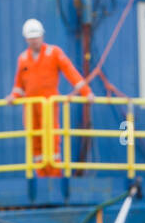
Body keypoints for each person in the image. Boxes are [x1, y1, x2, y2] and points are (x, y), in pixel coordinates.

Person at [5, 17, 91, 176]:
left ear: (42, 36)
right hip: (30, 108)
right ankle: (42, 176)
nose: (34, 41)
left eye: (36, 37)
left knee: (51, 141)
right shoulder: (23, 59)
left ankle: (55, 176)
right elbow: (19, 86)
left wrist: (87, 92)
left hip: (49, 106)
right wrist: (13, 96)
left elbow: (71, 72)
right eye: (31, 38)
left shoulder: (54, 53)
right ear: (26, 39)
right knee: (35, 143)